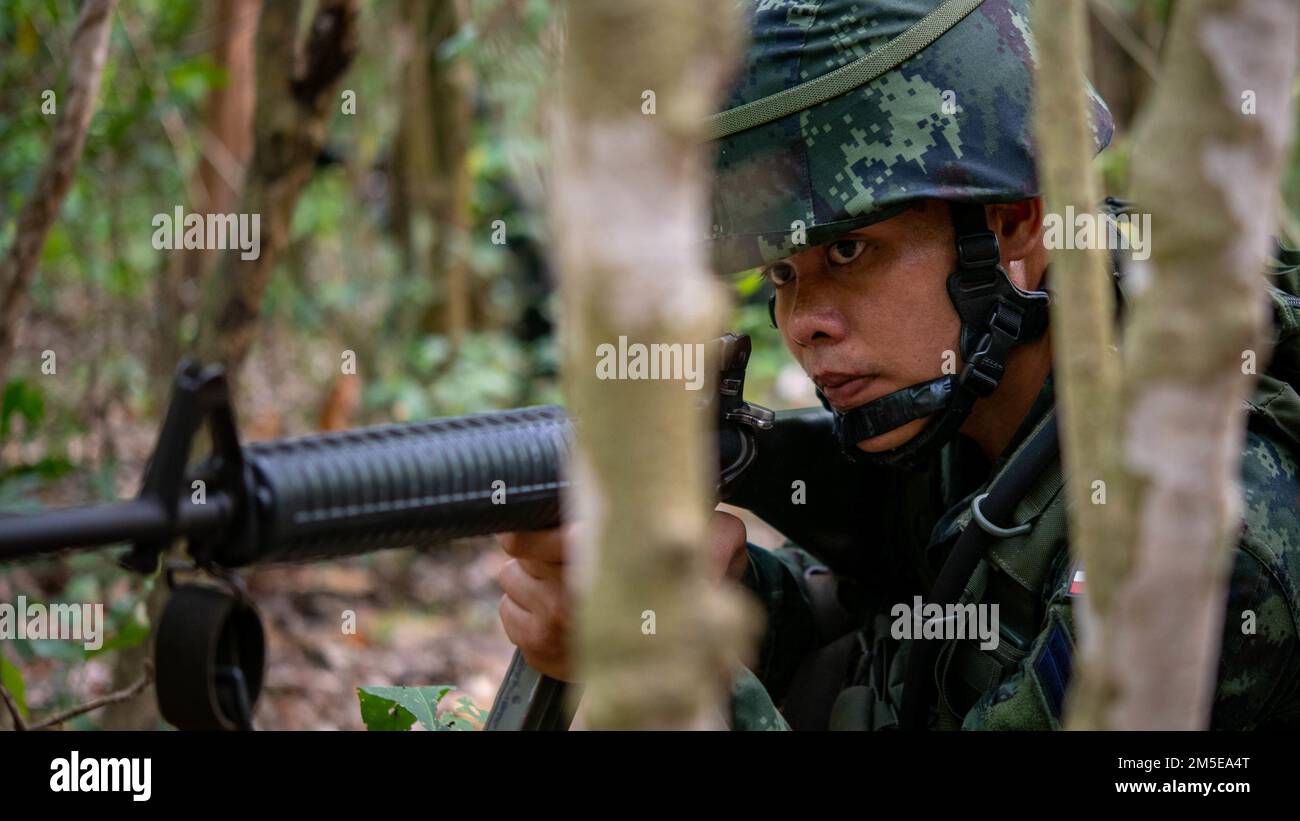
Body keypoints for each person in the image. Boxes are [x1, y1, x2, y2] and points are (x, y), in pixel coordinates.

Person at [496, 0, 1300, 729]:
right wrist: (728, 601)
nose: (802, 322)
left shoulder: (1204, 522)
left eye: (849, 250)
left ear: (1018, 223)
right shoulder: (957, 393)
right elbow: (872, 626)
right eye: (780, 273)